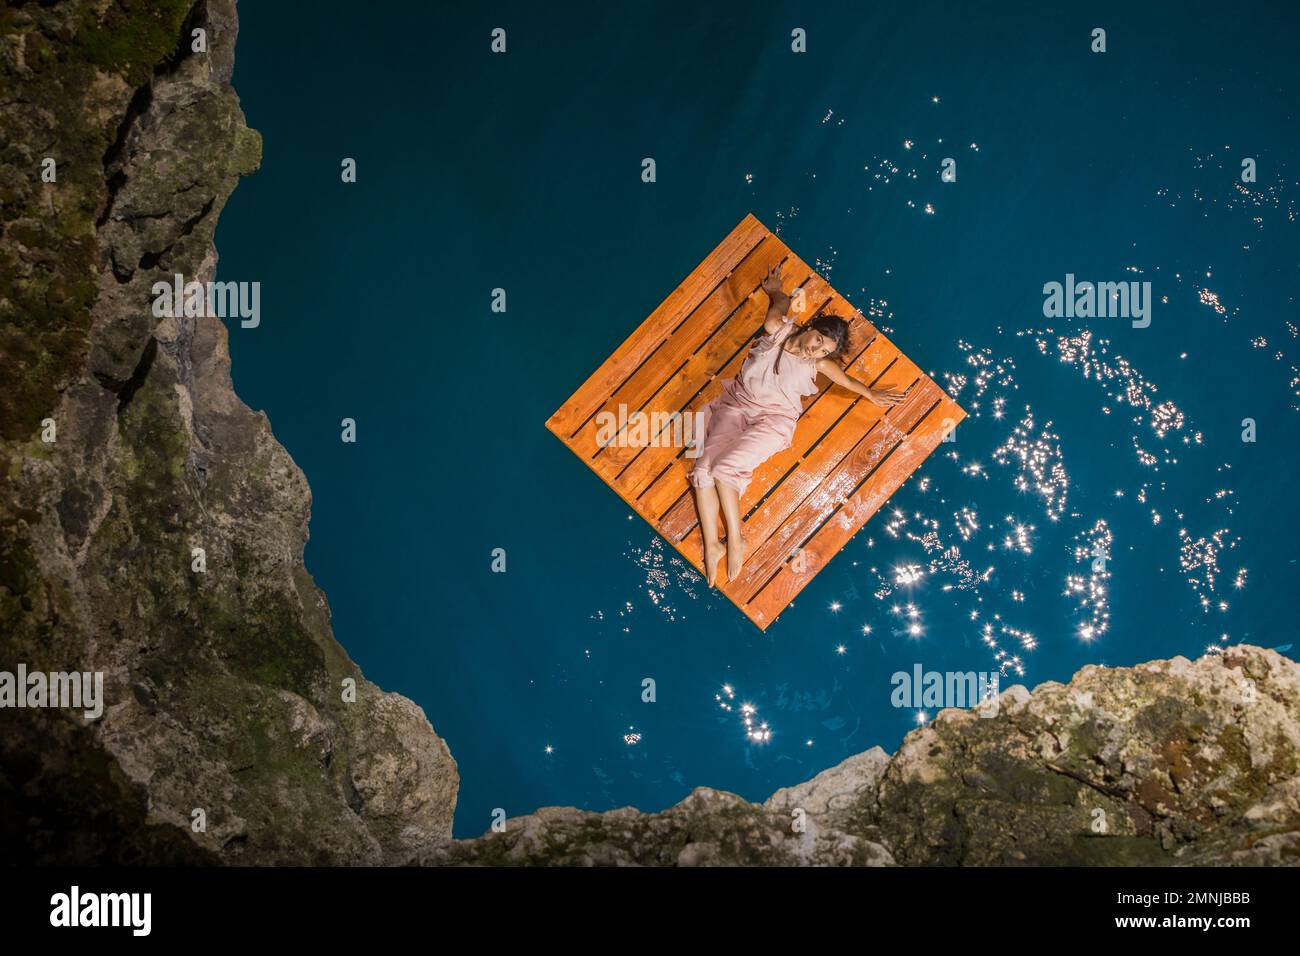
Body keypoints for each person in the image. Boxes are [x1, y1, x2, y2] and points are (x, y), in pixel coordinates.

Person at [689, 263, 906, 586]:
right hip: (738, 404)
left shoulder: (817, 363)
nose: (816, 350)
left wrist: (871, 393)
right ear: (811, 328)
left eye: (825, 351)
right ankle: (712, 546)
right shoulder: (777, 328)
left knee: (724, 469)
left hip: (774, 420)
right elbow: (780, 303)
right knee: (704, 471)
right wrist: (775, 289)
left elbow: (845, 379)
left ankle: (737, 539)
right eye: (818, 340)